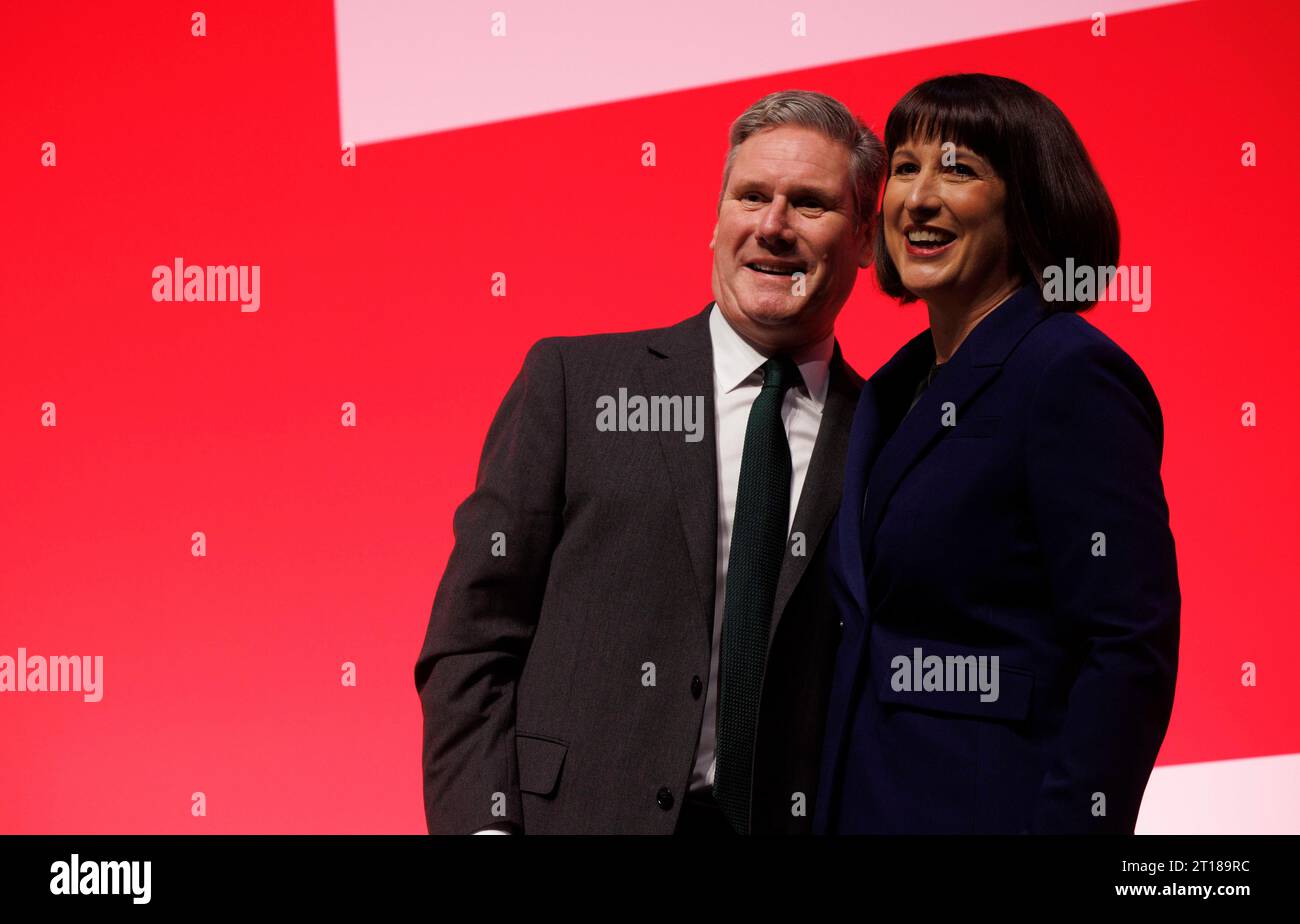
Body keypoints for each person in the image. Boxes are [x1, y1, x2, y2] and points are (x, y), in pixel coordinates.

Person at [415, 90, 885, 834]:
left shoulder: (887, 434)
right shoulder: (577, 384)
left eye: (810, 204)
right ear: (717, 217)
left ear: (865, 240)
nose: (772, 226)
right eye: (751, 195)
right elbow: (474, 634)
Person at [814, 74, 1180, 834]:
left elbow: (1128, 646)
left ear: (1029, 203)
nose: (916, 197)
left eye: (958, 168)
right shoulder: (888, 391)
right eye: (905, 168)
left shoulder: (1067, 374)